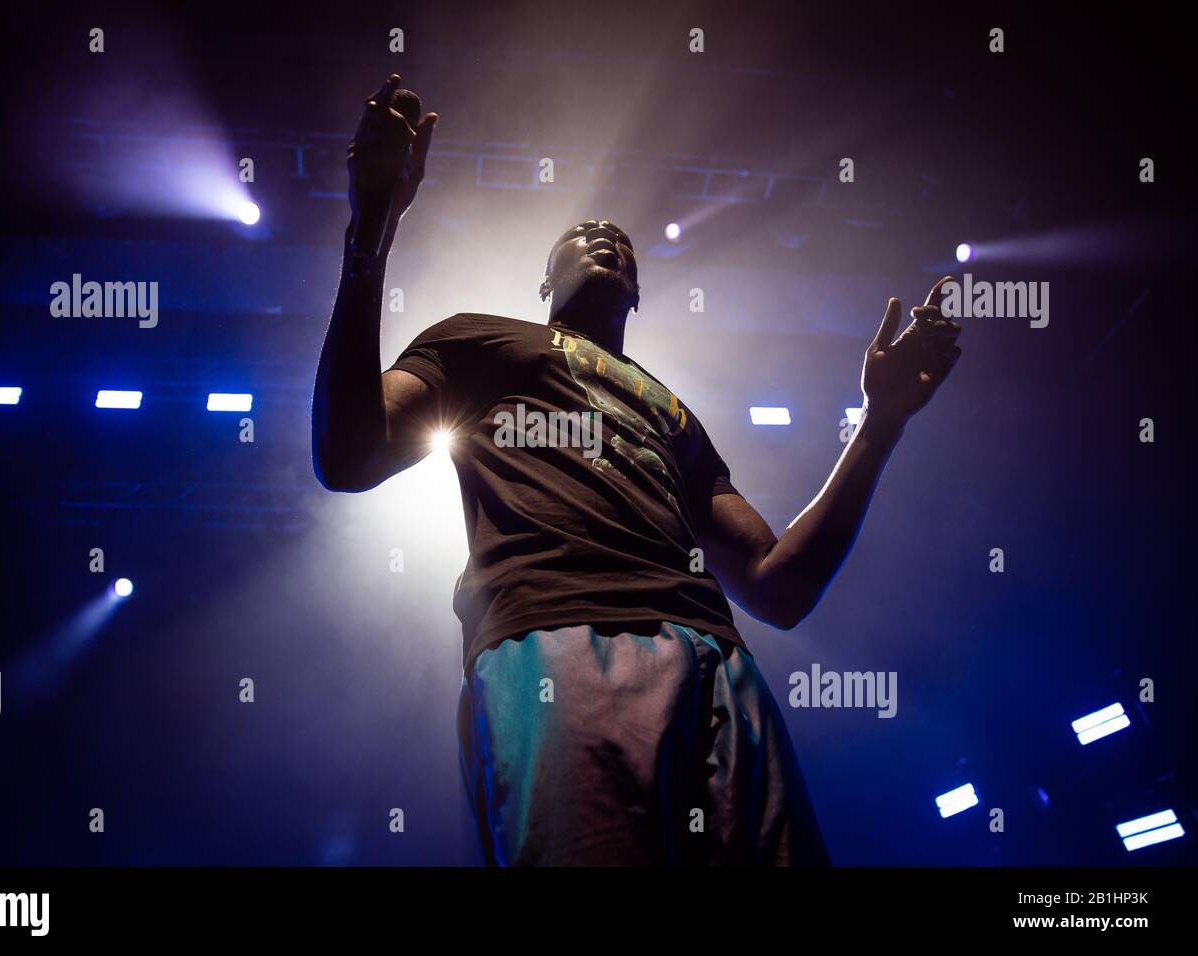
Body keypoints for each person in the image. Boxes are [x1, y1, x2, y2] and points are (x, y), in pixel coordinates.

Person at [312, 74, 962, 866]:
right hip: (559, 637)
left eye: (620, 239)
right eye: (583, 233)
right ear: (544, 282)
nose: (605, 237)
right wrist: (370, 233)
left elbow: (778, 584)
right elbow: (347, 455)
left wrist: (881, 425)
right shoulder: (479, 339)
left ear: (641, 293)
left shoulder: (674, 412)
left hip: (718, 661)